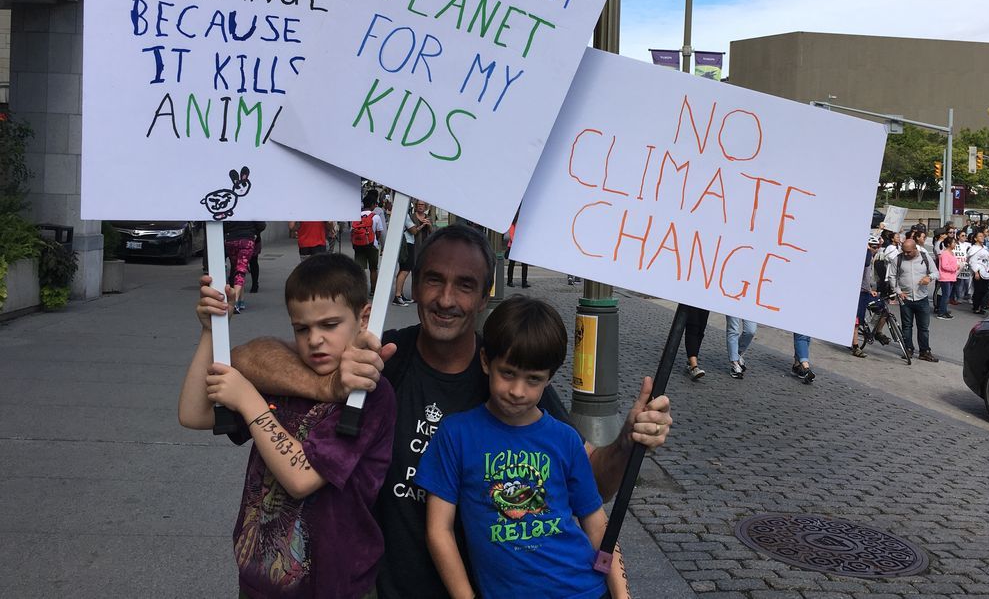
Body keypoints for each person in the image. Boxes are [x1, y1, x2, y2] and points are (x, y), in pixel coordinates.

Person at [230, 225, 671, 599]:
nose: (446, 298)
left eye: (464, 285)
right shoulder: (381, 359)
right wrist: (327, 384)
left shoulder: (507, 373)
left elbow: (587, 481)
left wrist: (627, 442)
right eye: (434, 280)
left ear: (484, 296)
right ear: (415, 283)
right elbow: (246, 358)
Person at [178, 253, 396, 599]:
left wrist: (249, 400)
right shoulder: (287, 378)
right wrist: (211, 332)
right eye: (302, 328)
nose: (315, 340)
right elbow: (194, 413)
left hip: (334, 585)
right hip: (260, 578)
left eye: (329, 325)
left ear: (363, 318)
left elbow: (302, 478)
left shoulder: (368, 393)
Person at [416, 296, 628, 599]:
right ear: (487, 361)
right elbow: (439, 530)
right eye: (508, 373)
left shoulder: (565, 439)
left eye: (534, 380)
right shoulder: (456, 434)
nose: (518, 391)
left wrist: (621, 595)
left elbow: (596, 524)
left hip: (585, 590)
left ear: (550, 378)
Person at [887, 238, 939, 362]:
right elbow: (892, 276)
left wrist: (929, 277)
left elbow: (936, 272)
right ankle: (908, 349)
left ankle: (924, 351)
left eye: (909, 252)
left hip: (922, 298)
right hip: (906, 299)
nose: (906, 254)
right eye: (904, 251)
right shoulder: (898, 259)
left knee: (923, 327)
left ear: (915, 249)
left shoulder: (925, 257)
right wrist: (898, 291)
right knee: (907, 326)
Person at [393, 199, 432, 306]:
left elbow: (432, 232)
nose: (420, 207)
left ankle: (400, 294)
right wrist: (422, 226)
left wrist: (429, 225)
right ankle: (398, 296)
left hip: (422, 246)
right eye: (418, 205)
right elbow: (414, 231)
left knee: (409, 270)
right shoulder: (408, 216)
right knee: (406, 270)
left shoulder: (427, 217)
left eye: (422, 205)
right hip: (410, 245)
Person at [223, 220, 261, 314]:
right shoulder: (250, 209)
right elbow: (261, 225)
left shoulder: (231, 208)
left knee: (236, 268)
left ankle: (241, 300)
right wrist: (254, 232)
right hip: (246, 240)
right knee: (241, 270)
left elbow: (223, 225)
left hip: (231, 240)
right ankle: (235, 302)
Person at [352, 191, 386, 296]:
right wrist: (375, 239)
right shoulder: (375, 217)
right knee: (373, 269)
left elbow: (352, 231)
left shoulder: (356, 216)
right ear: (371, 205)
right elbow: (379, 232)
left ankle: (359, 290)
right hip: (372, 245)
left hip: (358, 245)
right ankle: (373, 290)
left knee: (359, 268)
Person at [968, 230, 989, 315]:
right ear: (975, 238)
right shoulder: (973, 249)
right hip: (978, 270)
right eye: (980, 236)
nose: (982, 238)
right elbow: (972, 261)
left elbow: (988, 259)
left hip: (985, 270)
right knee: (978, 289)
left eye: (983, 236)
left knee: (985, 290)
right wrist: (976, 272)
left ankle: (983, 306)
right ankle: (976, 307)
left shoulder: (985, 248)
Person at [504, 210, 530, 289]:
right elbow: (512, 237)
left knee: (525, 265)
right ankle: (509, 281)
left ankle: (524, 282)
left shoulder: (522, 225)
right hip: (513, 246)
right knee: (512, 264)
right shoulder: (512, 225)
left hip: (522, 247)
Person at [683, 306, 710, 380]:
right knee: (692, 328)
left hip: (705, 300)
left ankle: (690, 362)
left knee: (700, 331)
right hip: (691, 299)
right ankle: (694, 367)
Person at [935, 236, 957, 319]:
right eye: (953, 243)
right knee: (946, 295)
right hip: (945, 277)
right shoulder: (944, 253)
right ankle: (941, 312)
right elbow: (944, 266)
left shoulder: (952, 253)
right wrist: (954, 268)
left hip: (951, 276)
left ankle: (944, 310)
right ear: (948, 244)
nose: (955, 244)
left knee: (947, 295)